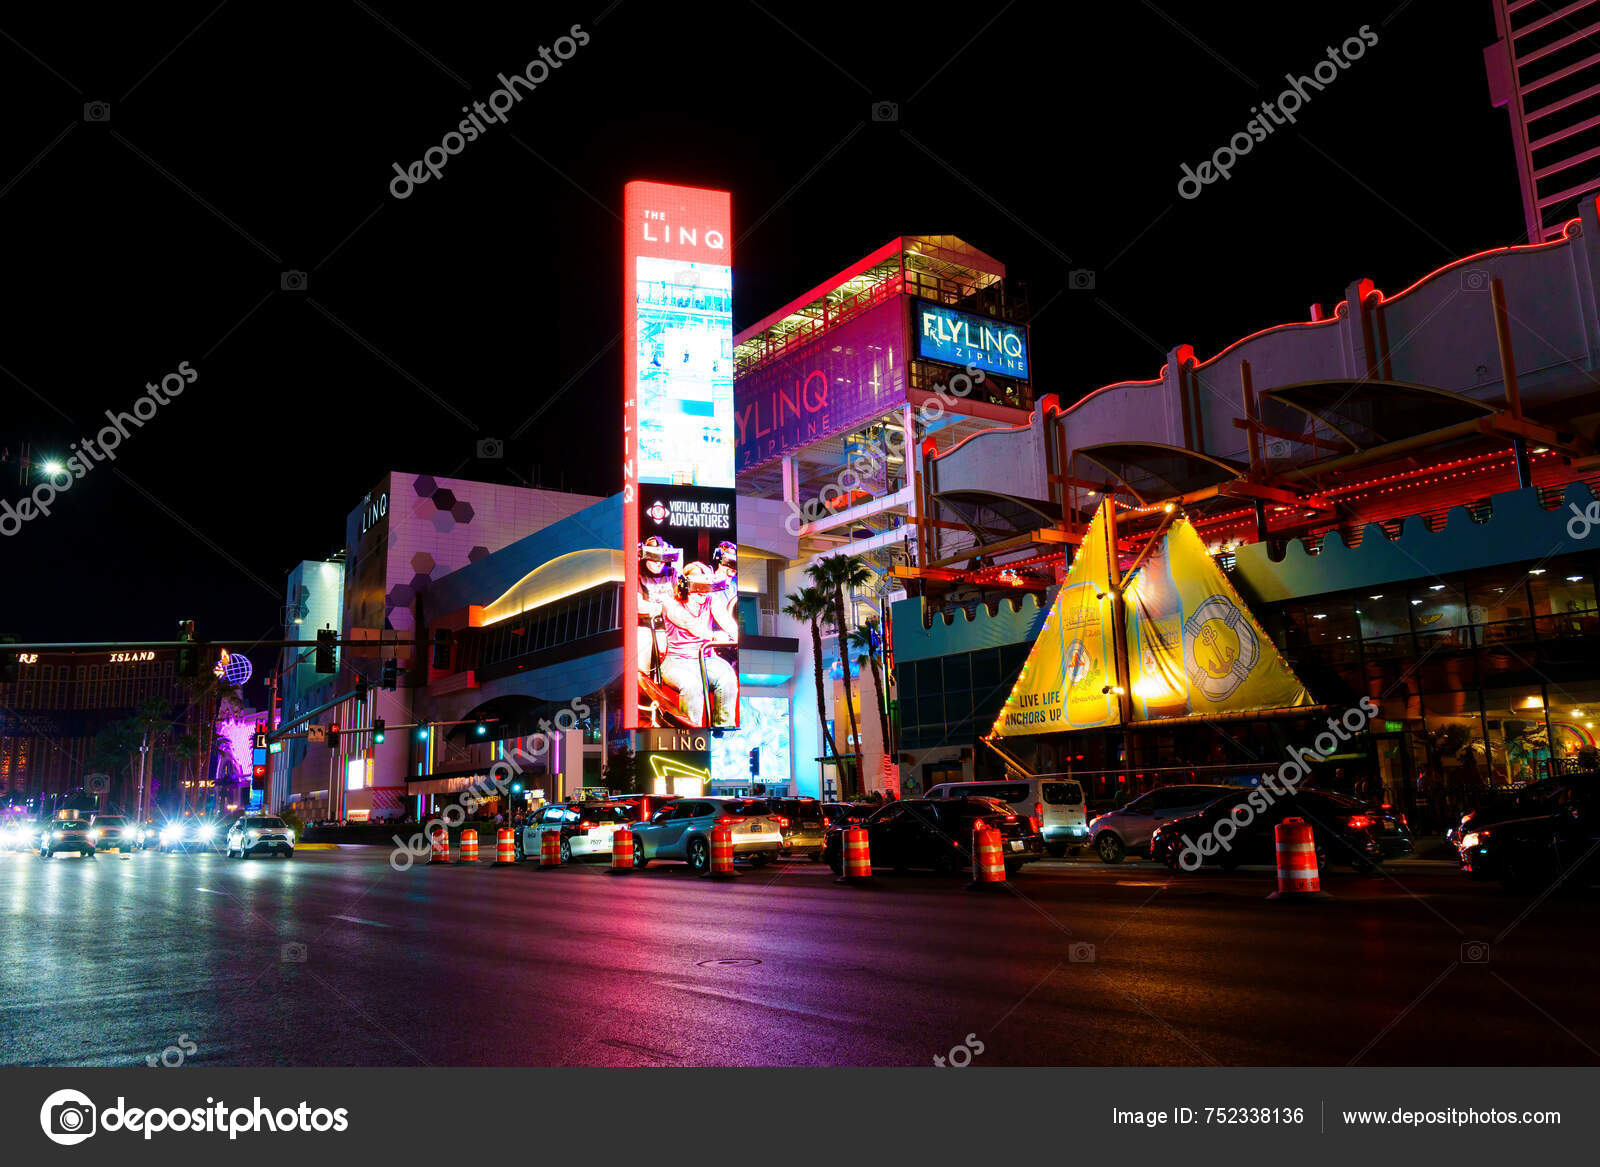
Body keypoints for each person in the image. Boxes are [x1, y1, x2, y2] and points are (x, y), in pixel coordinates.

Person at [659, 561, 738, 727]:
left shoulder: (711, 599)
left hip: (705, 658)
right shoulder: (671, 603)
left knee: (728, 677)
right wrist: (714, 636)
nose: (704, 593)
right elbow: (691, 625)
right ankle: (692, 733)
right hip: (677, 662)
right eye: (699, 588)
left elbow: (726, 620)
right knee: (693, 685)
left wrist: (736, 634)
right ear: (686, 585)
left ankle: (723, 727)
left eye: (707, 587)